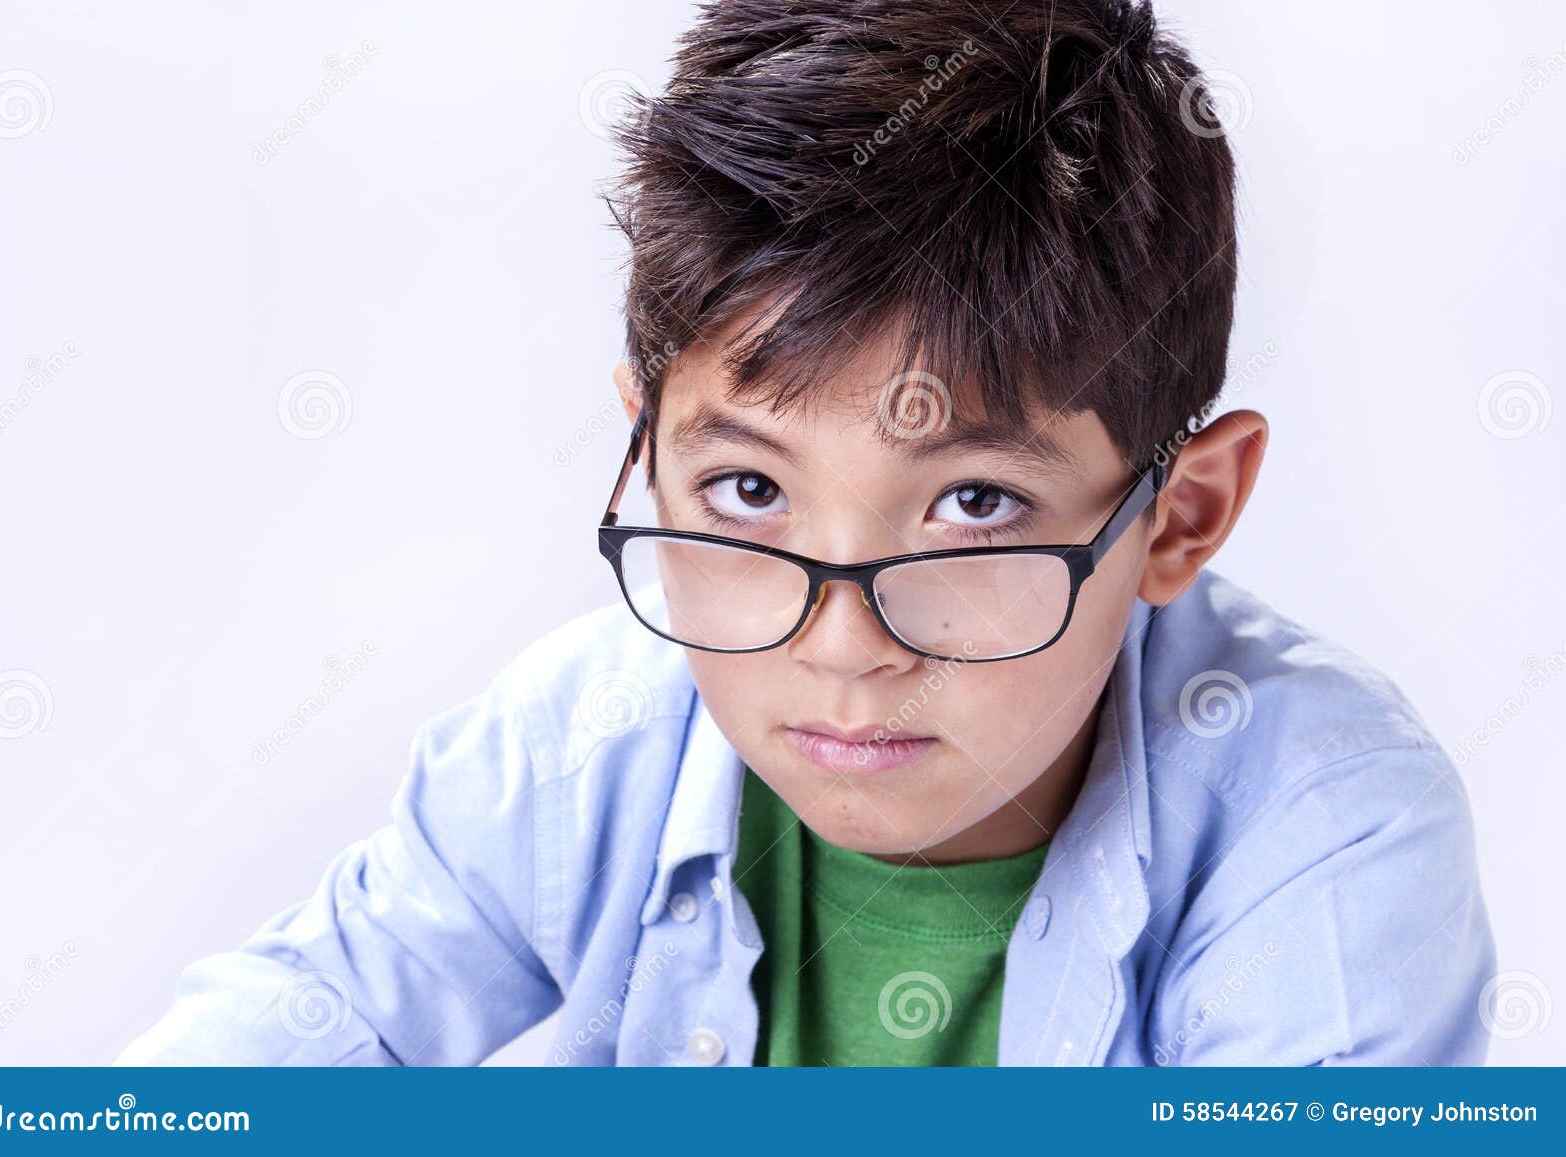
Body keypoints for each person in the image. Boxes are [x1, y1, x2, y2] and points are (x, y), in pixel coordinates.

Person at [119, 0, 1493, 1066]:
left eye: (975, 505)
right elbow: (293, 1028)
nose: (841, 649)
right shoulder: (583, 743)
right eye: (750, 492)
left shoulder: (1322, 819)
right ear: (643, 447)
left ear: (1179, 514)